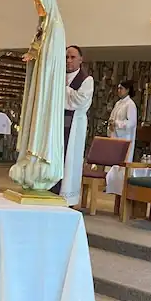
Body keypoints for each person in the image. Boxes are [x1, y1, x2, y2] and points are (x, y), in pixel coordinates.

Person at [9, 0, 66, 192]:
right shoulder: (43, 27)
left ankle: (40, 159)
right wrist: (32, 55)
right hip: (39, 81)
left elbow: (51, 57)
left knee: (43, 118)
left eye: (40, 5)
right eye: (37, 5)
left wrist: (38, 55)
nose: (38, 9)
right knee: (33, 116)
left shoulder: (56, 28)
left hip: (47, 84)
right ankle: (29, 159)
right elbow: (39, 48)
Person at [52, 44, 94, 206]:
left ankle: (66, 198)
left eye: (72, 57)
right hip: (56, 124)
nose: (68, 60)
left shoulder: (86, 80)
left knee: (69, 162)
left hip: (74, 125)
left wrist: (62, 90)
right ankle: (51, 190)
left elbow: (79, 101)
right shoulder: (58, 77)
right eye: (66, 57)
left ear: (81, 60)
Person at [105, 80, 139, 197]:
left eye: (121, 88)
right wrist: (111, 123)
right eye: (118, 88)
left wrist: (118, 124)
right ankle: (110, 185)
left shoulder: (130, 104)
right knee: (113, 162)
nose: (119, 91)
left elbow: (132, 123)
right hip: (115, 136)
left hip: (124, 138)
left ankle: (120, 188)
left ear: (128, 90)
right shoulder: (118, 103)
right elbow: (112, 117)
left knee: (122, 163)